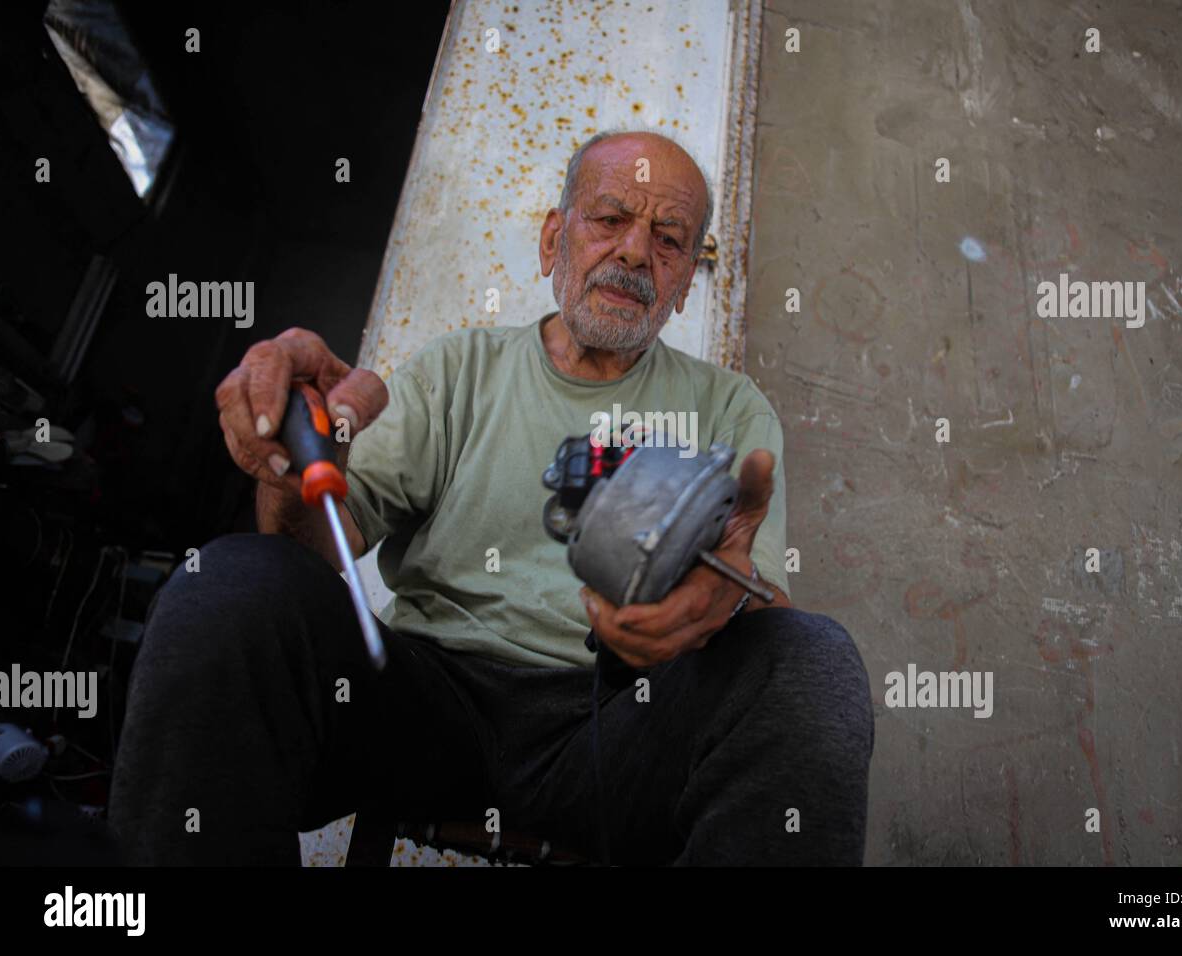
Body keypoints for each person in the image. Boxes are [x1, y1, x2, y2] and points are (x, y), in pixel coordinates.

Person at [108, 129, 874, 865]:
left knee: (811, 659)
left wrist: (725, 604)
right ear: (553, 240)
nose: (636, 251)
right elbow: (311, 550)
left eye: (669, 239)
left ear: (681, 287)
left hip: (618, 728)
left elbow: (759, 607)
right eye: (610, 219)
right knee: (232, 584)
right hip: (428, 706)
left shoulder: (729, 408)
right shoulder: (459, 369)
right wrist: (299, 460)